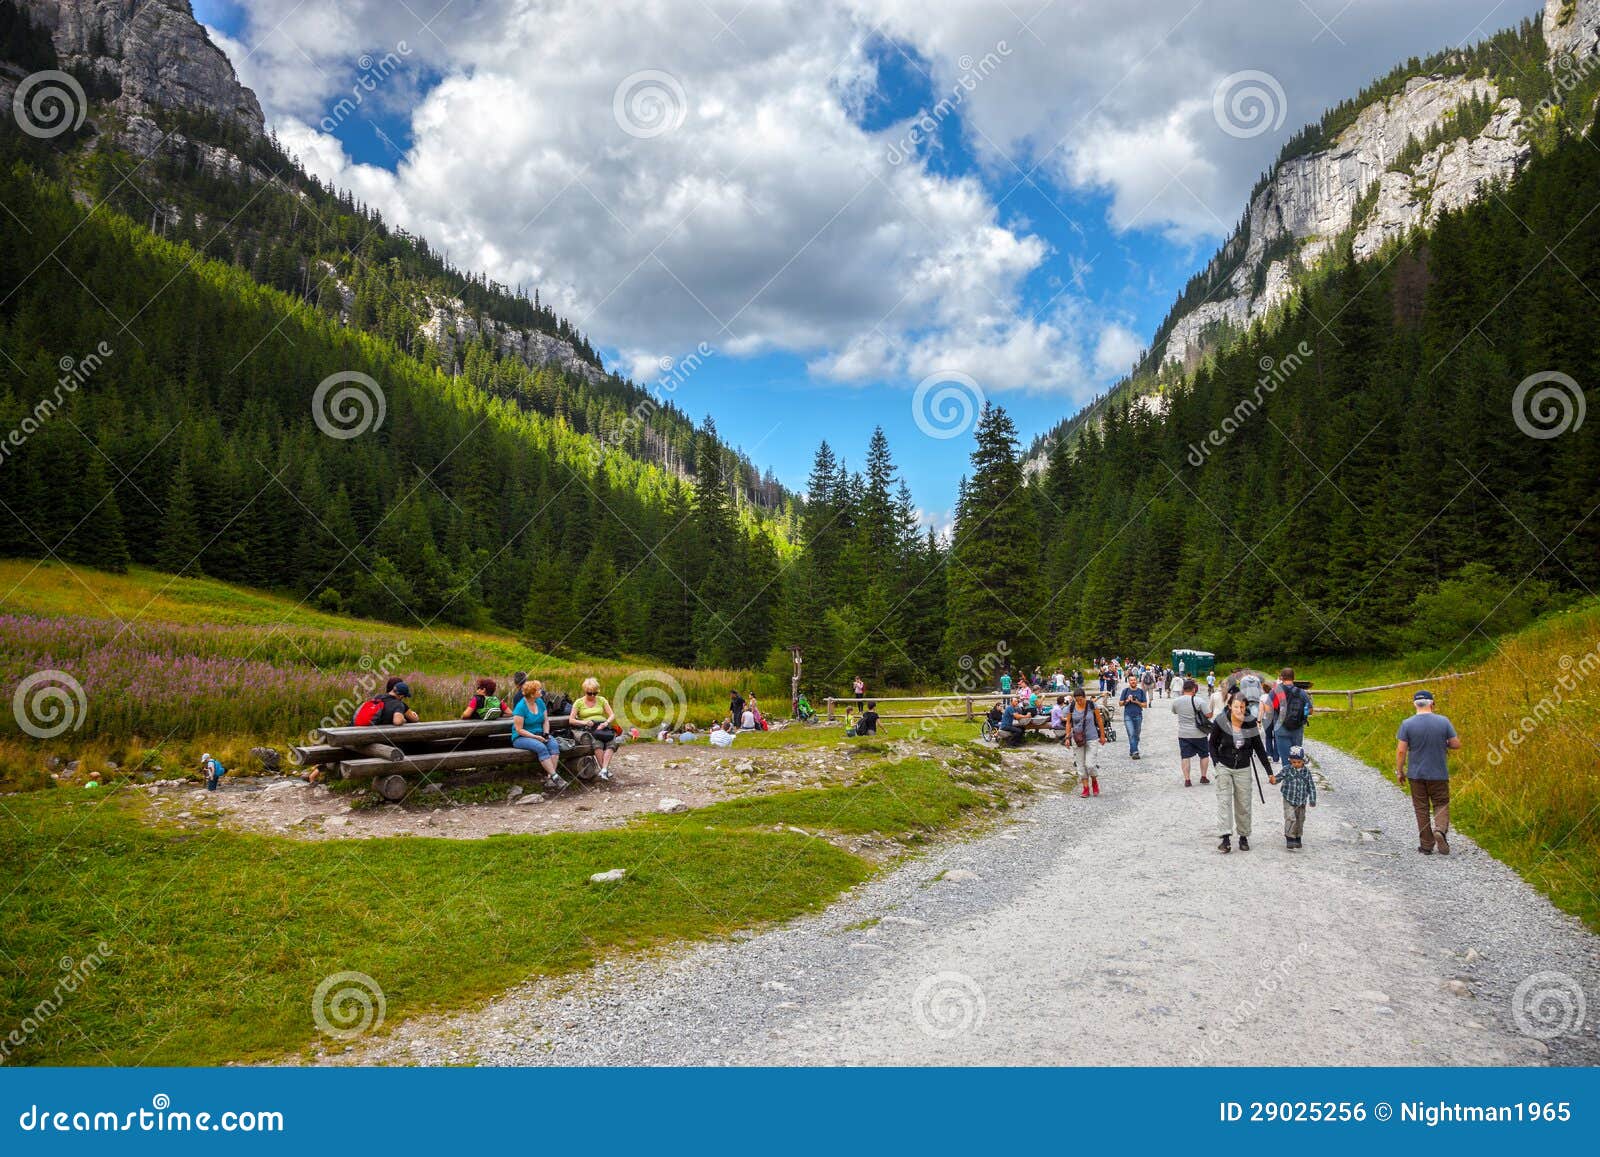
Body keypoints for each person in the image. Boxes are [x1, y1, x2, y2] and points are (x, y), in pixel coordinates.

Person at [1397, 689, 1461, 855]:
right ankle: (1440, 830)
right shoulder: (1443, 721)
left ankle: (1426, 845)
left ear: (1414, 704)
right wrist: (1442, 743)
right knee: (1440, 803)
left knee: (1421, 808)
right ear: (1432, 703)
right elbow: (1456, 744)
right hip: (1439, 773)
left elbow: (1401, 751)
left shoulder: (1407, 724)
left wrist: (1399, 771)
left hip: (1416, 774)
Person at [1209, 690, 1272, 853]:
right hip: (1224, 764)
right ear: (1229, 706)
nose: (1239, 710)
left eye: (1242, 707)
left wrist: (1269, 771)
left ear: (1245, 707)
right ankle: (1225, 838)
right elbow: (1212, 743)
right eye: (1236, 706)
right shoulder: (1221, 721)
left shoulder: (1250, 723)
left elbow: (1259, 747)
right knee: (1224, 801)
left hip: (1243, 766)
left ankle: (1243, 836)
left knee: (1243, 803)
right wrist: (1216, 763)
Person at [511, 678, 564, 787]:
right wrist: (535, 737)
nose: (541, 691)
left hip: (539, 733)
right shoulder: (520, 707)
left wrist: (546, 733)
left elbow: (545, 720)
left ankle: (550, 778)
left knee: (554, 745)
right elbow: (519, 729)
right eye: (539, 690)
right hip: (521, 737)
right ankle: (555, 776)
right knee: (541, 747)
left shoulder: (540, 702)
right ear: (532, 694)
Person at [571, 677, 621, 780]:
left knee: (611, 743)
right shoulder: (579, 702)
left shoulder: (602, 700)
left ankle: (604, 770)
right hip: (590, 727)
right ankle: (604, 769)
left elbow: (612, 715)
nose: (593, 695)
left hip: (603, 725)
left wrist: (606, 723)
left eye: (595, 693)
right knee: (598, 744)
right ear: (585, 691)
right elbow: (571, 720)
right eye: (590, 693)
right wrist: (585, 722)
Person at [1263, 667, 1312, 769]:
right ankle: (1297, 781)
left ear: (1281, 677)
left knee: (1286, 761)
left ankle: (1288, 782)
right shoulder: (1301, 692)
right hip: (1297, 729)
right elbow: (1310, 710)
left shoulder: (1275, 691)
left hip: (1281, 729)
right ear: (1293, 678)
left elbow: (1267, 709)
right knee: (1297, 759)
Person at [1270, 744, 1317, 850]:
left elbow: (1311, 786)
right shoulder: (1287, 769)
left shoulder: (1306, 772)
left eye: (1299, 762)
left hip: (1301, 801)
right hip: (1289, 799)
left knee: (1300, 819)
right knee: (1291, 818)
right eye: (1294, 762)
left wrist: (1312, 799)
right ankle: (1290, 838)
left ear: (1303, 761)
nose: (1296, 764)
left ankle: (1297, 837)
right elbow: (1279, 777)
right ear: (1290, 761)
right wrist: (1274, 780)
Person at [1171, 677, 1213, 788]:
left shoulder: (1176, 701)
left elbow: (1174, 711)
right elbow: (1209, 715)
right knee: (1204, 755)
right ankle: (1203, 777)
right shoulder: (1199, 701)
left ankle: (1187, 780)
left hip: (1183, 733)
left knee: (1185, 756)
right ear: (1194, 689)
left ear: (1183, 689)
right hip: (1199, 733)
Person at [1067, 689, 1106, 796]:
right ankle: (1085, 788)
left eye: (1081, 699)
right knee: (1080, 765)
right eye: (1077, 700)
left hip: (1092, 737)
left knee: (1090, 764)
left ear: (1085, 697)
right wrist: (1067, 737)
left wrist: (1102, 735)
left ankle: (1094, 781)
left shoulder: (1092, 705)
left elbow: (1099, 720)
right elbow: (1068, 723)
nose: (1079, 702)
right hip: (1077, 738)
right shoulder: (1071, 707)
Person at [1119, 678, 1148, 759]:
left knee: (1137, 735)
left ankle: (1132, 749)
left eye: (1134, 680)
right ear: (1129, 682)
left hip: (1138, 715)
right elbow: (1120, 703)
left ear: (1136, 681)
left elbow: (1145, 705)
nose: (1133, 682)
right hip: (1128, 715)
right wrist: (1127, 700)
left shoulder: (1141, 691)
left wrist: (1137, 702)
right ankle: (1135, 752)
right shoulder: (1125, 691)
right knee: (1131, 734)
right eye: (1131, 680)